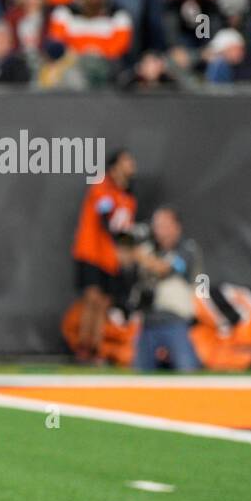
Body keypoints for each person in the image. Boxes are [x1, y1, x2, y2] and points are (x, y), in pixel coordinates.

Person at [70, 150, 137, 363]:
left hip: (110, 259)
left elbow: (125, 229)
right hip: (91, 251)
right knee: (92, 299)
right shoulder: (102, 186)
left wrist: (125, 250)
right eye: (127, 161)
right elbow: (105, 219)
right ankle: (83, 347)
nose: (131, 165)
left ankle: (96, 349)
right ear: (115, 165)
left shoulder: (128, 198)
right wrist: (121, 246)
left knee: (104, 303)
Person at [130, 207, 203, 372]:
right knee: (139, 376)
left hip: (175, 322)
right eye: (156, 225)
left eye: (164, 225)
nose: (159, 230)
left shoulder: (187, 249)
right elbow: (123, 261)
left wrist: (141, 257)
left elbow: (165, 269)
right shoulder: (149, 248)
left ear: (176, 226)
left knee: (187, 371)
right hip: (148, 321)